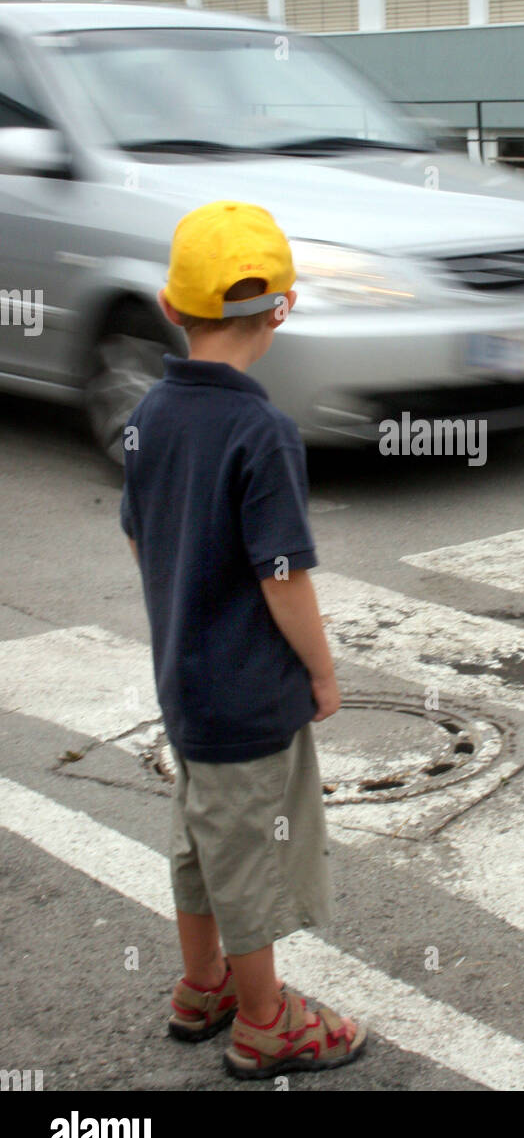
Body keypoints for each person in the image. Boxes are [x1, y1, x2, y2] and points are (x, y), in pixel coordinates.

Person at [120, 199, 366, 1080]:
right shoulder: (262, 431)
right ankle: (266, 1022)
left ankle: (203, 985)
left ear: (168, 306)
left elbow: (144, 535)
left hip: (184, 681)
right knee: (252, 851)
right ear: (283, 307)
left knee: (200, 837)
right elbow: (283, 575)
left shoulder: (148, 415)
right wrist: (323, 673)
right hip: (250, 694)